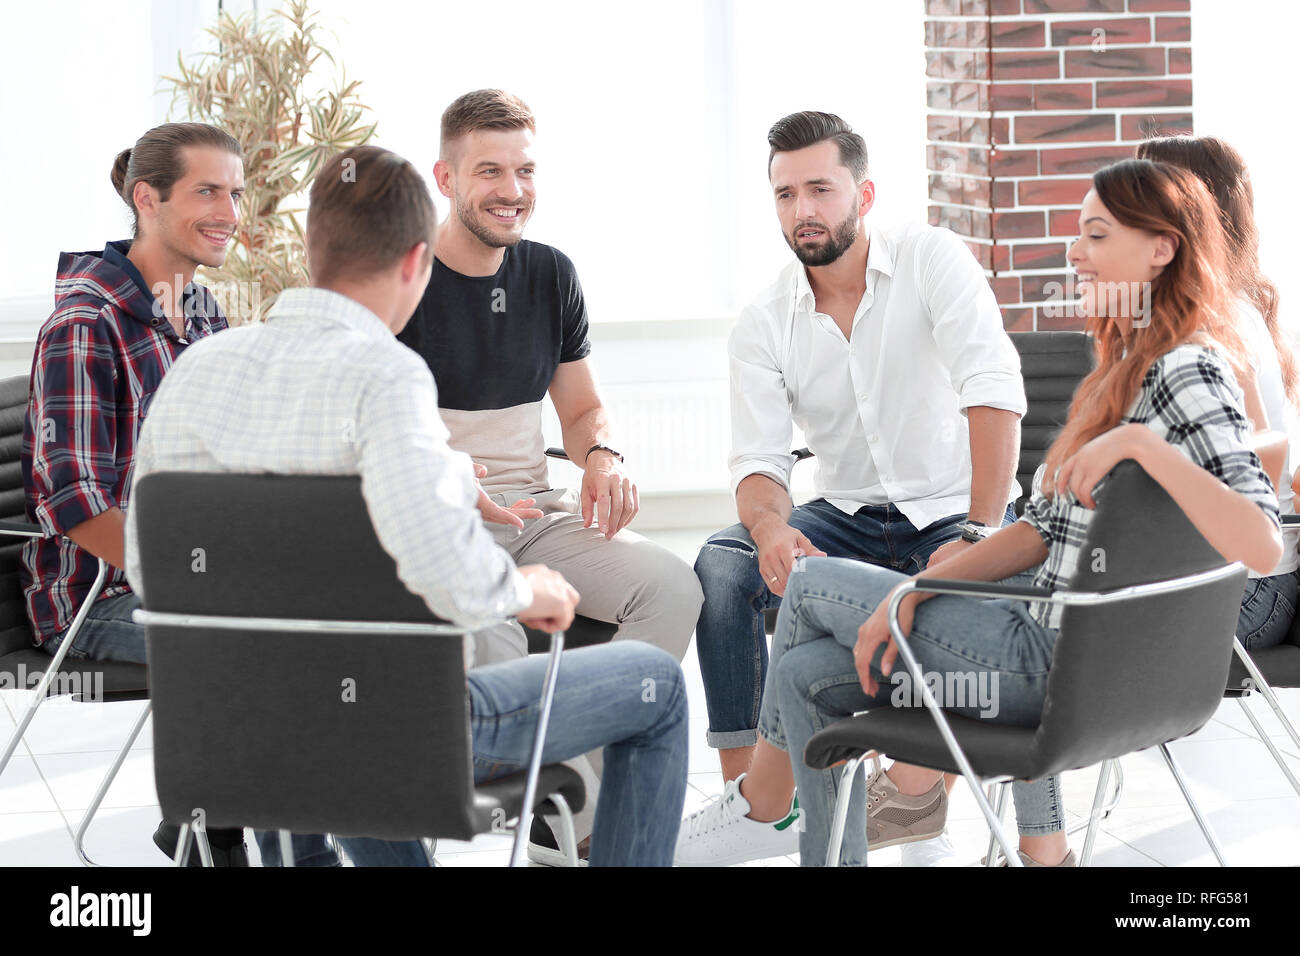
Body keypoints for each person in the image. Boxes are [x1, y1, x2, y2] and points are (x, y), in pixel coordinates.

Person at [677, 158, 1284, 867]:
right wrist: (922, 587)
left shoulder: (1185, 369)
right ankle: (977, 848)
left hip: (1050, 667)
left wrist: (1139, 445)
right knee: (807, 671)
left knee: (811, 588)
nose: (1075, 252)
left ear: (1162, 249)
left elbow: (1264, 544)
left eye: (1095, 234)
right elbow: (1040, 532)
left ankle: (763, 809)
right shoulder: (1129, 370)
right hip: (1053, 653)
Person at [123, 144, 689, 867]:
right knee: (659, 688)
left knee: (365, 687)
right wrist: (526, 589)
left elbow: (149, 564)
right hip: (400, 734)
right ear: (418, 262)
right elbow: (450, 580)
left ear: (311, 248)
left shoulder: (198, 366)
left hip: (226, 734)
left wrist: (444, 477)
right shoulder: (384, 376)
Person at [684, 111, 1025, 860]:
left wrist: (978, 530)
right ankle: (751, 802)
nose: (802, 210)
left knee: (977, 602)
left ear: (863, 195)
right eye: (784, 195)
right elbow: (758, 462)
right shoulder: (765, 322)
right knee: (722, 563)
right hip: (843, 513)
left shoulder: (931, 259)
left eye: (819, 189)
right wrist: (773, 531)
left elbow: (993, 389)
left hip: (952, 510)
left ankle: (913, 786)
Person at [397, 89, 702, 864]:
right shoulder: (402, 280)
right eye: (489, 170)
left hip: (531, 513)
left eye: (525, 170)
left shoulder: (550, 274)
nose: (512, 190)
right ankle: (544, 797)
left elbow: (584, 408)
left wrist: (603, 455)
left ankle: (565, 801)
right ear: (446, 176)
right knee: (497, 632)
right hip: (444, 519)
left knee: (673, 587)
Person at [20, 122, 244, 862]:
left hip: (202, 574)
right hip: (99, 595)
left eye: (236, 192)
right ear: (147, 199)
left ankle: (210, 823)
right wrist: (188, 580)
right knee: (263, 645)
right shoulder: (85, 324)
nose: (229, 211)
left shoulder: (205, 314)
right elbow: (73, 500)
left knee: (330, 618)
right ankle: (221, 836)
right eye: (207, 191)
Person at [1136, 135, 1298, 654]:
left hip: (1241, 593)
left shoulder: (1213, 324)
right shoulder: (1205, 312)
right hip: (1217, 582)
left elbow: (1244, 471)